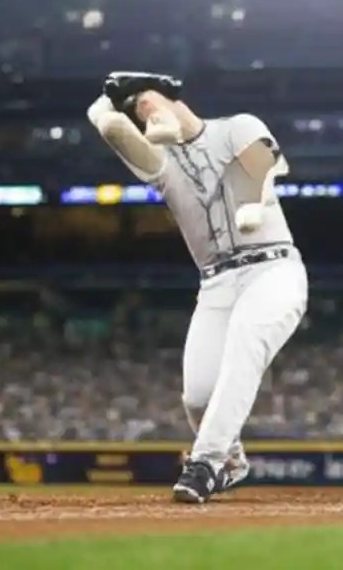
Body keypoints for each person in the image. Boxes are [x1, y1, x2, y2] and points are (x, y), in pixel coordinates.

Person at [87, 71, 308, 504]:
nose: (140, 109)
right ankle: (231, 461)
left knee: (246, 345)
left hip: (273, 269)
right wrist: (118, 95)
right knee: (198, 395)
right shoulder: (158, 161)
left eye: (145, 99)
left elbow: (260, 168)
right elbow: (103, 119)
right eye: (132, 108)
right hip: (216, 284)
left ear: (172, 95)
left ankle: (204, 463)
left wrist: (251, 201)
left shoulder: (237, 125)